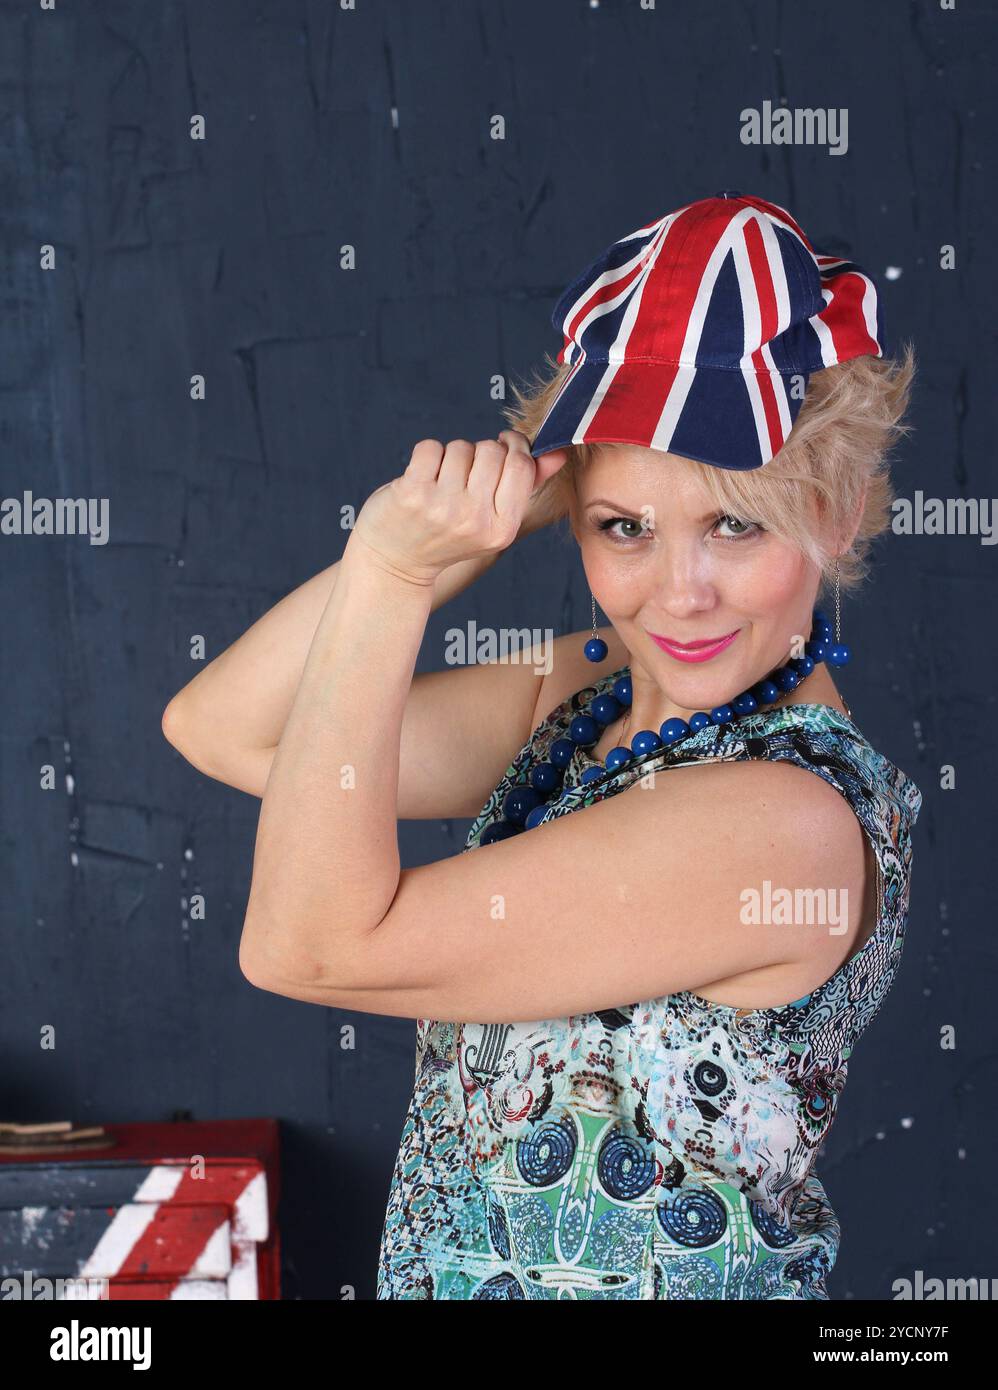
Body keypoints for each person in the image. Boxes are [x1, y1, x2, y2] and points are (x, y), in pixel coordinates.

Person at [161, 192, 922, 1300]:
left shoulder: (782, 823)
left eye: (733, 523)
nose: (678, 591)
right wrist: (490, 510)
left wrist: (392, 570)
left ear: (839, 513)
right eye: (624, 525)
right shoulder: (582, 694)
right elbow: (225, 724)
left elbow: (305, 944)